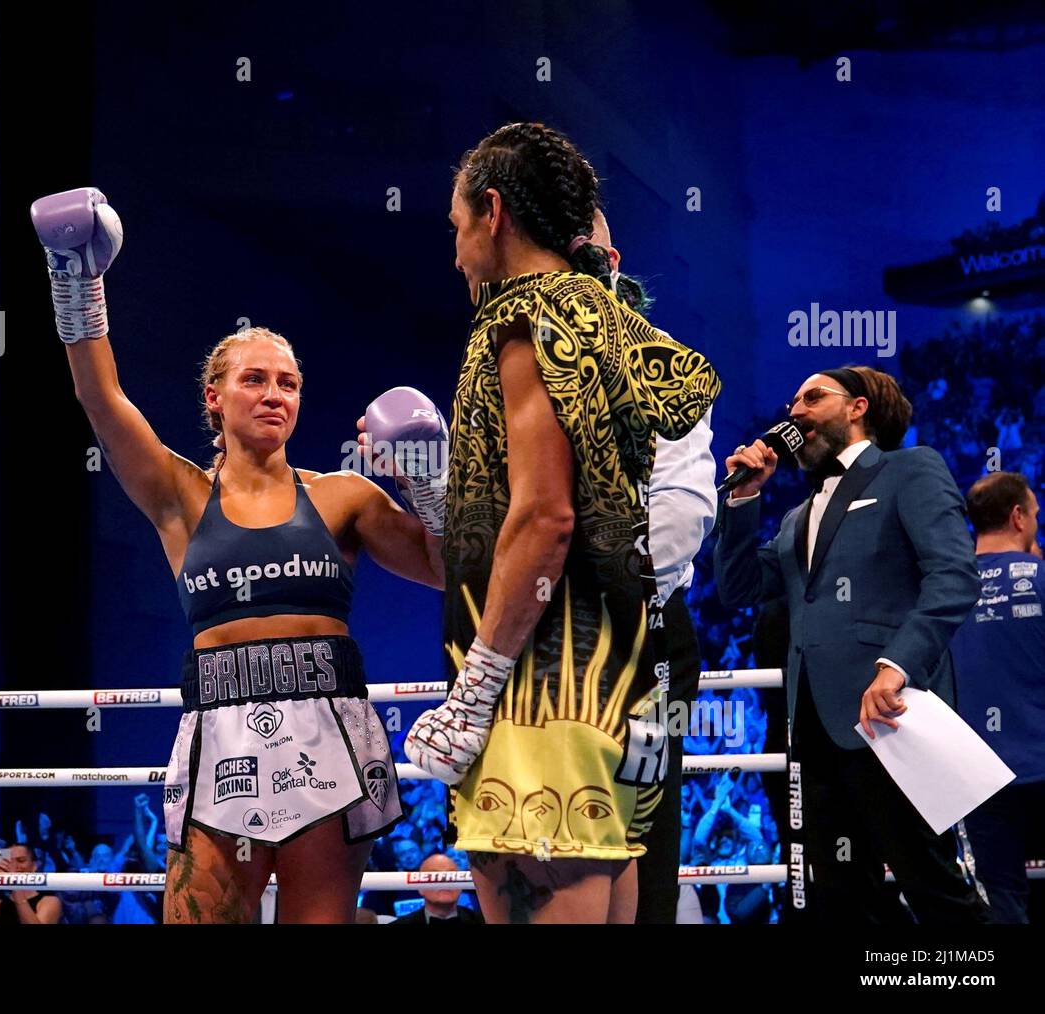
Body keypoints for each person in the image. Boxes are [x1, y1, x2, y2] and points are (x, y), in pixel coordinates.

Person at [30, 188, 440, 923]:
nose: (275, 394)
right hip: (221, 729)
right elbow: (100, 398)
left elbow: (450, 572)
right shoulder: (179, 494)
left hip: (329, 729)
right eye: (255, 379)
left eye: (289, 383)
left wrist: (429, 482)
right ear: (214, 397)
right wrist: (74, 277)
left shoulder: (345, 496)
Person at [404, 122, 720, 923]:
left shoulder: (530, 319)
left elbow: (544, 518)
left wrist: (473, 691)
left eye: (457, 227)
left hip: (536, 687)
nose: (455, 254)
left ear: (495, 212)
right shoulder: (599, 320)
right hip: (597, 681)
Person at [714, 364, 988, 924]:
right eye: (792, 401)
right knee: (843, 896)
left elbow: (954, 576)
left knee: (935, 887)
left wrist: (898, 664)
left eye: (812, 397)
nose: (795, 411)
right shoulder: (796, 518)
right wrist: (742, 500)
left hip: (893, 717)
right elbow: (739, 588)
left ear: (858, 407)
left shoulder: (910, 469)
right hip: (813, 728)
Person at [590, 208, 719, 924]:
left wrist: (589, 596)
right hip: (543, 630)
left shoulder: (654, 358)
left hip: (645, 629)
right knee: (550, 826)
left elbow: (682, 513)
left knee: (646, 819)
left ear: (609, 263)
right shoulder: (515, 357)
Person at [949, 471, 1043, 923]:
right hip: (1038, 762)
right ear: (1018, 516)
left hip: (978, 774)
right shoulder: (1042, 578)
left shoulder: (942, 592)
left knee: (1001, 902)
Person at [0, 843, 63, 925]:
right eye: (9, 862)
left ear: (34, 866)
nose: (15, 866)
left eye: (21, 860)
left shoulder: (50, 901)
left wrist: (16, 886)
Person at [389, 853, 482, 924]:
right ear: (420, 888)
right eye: (435, 876)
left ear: (460, 886)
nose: (444, 882)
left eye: (451, 875)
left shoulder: (485, 921)